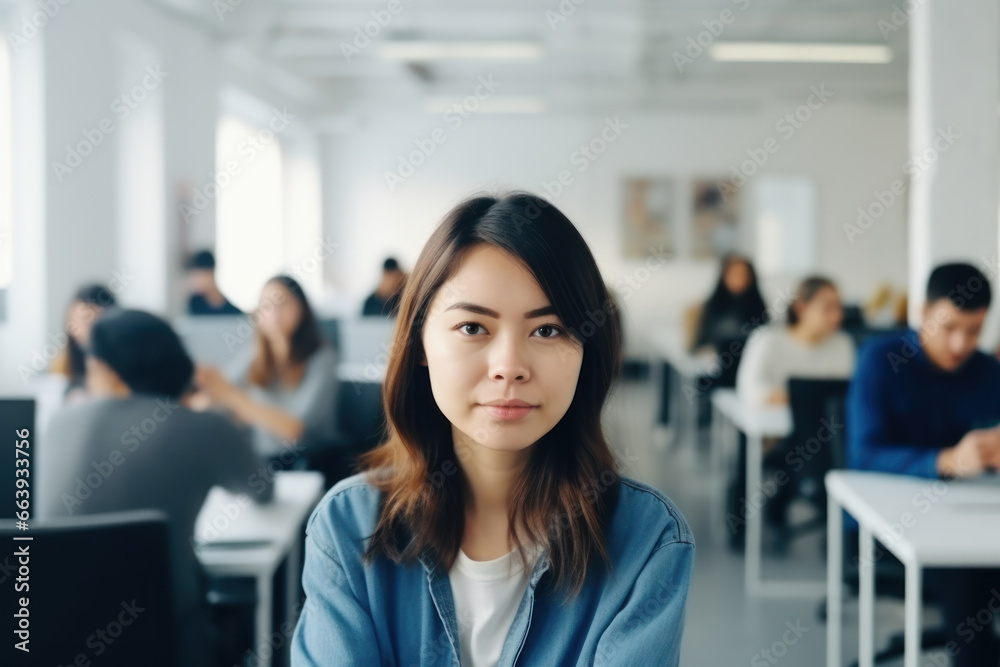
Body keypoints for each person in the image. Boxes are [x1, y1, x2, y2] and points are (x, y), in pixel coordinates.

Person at [292, 192, 694, 666]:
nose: (509, 367)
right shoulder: (346, 528)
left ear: (587, 349)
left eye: (547, 330)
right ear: (420, 340)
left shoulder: (647, 540)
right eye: (472, 328)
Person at [38, 309, 274, 667]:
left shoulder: (57, 424)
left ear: (109, 370)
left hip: (51, 635)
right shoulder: (206, 427)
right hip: (167, 637)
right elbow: (262, 489)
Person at [848, 262, 1000, 667]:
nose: (959, 344)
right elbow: (863, 454)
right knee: (969, 575)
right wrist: (945, 461)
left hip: (974, 517)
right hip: (888, 526)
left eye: (973, 331)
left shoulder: (989, 373)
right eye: (948, 328)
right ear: (921, 312)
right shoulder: (881, 360)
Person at [194, 275, 341, 460]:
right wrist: (206, 390)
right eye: (265, 306)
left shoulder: (323, 358)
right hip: (262, 460)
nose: (274, 313)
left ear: (302, 308)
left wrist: (233, 398)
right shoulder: (256, 355)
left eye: (282, 303)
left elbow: (294, 429)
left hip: (306, 462)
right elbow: (219, 390)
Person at [736, 276, 855, 407]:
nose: (837, 316)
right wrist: (806, 397)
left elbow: (848, 392)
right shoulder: (767, 340)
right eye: (828, 308)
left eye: (839, 307)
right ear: (801, 308)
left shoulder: (843, 343)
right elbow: (751, 391)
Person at [48, 284, 117, 404]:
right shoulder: (62, 362)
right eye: (80, 320)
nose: (85, 329)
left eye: (93, 320)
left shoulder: (121, 364)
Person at [690, 254, 769, 353]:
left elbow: (764, 338)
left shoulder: (758, 306)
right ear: (725, 277)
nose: (739, 280)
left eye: (743, 275)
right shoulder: (713, 305)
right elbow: (702, 342)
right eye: (734, 274)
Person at [185, 249, 242, 316]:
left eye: (196, 276)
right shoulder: (195, 303)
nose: (194, 282)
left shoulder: (233, 313)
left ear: (210, 273)